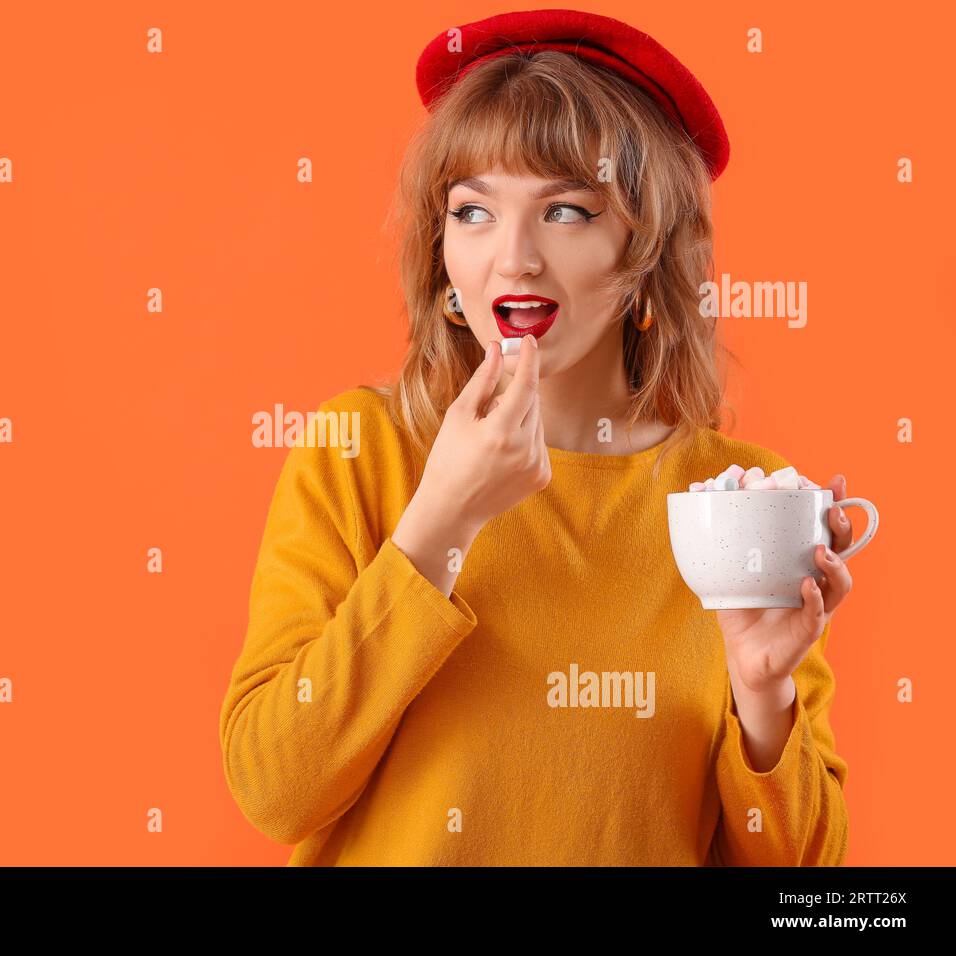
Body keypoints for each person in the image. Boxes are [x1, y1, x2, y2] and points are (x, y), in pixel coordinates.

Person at [219, 9, 854, 865]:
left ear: (646, 255)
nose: (511, 258)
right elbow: (275, 788)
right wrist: (438, 525)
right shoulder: (357, 451)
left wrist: (762, 691)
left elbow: (806, 884)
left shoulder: (736, 500)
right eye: (473, 211)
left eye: (566, 212)